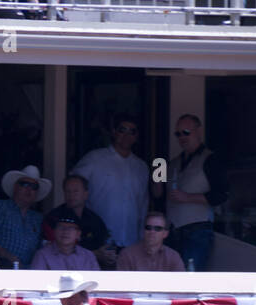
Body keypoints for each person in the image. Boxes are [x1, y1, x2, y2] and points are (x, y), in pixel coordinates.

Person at [156, 114, 228, 272]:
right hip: (172, 232)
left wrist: (188, 197)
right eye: (178, 133)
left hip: (197, 231)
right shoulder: (172, 163)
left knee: (190, 279)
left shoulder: (211, 159)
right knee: (170, 279)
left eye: (186, 132)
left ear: (199, 131)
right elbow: (158, 194)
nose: (182, 137)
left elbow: (221, 194)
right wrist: (157, 164)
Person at [71, 115, 148, 252]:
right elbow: (73, 187)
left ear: (137, 137)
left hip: (131, 242)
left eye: (132, 131)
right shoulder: (94, 158)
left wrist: (142, 238)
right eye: (122, 130)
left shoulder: (142, 167)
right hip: (97, 240)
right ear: (113, 132)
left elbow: (143, 205)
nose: (126, 135)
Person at [0, 164, 49, 269]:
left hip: (30, 272)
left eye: (34, 187)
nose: (29, 189)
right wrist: (6, 255)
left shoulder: (38, 218)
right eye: (25, 184)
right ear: (15, 187)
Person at [42, 174, 112, 265]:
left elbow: (103, 245)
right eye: (68, 191)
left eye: (75, 191)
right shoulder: (53, 218)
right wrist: (93, 254)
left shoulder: (95, 219)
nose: (71, 195)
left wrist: (107, 255)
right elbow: (51, 249)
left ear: (86, 194)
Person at [115, 211, 185, 271]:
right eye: (148, 228)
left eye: (157, 228)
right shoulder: (127, 255)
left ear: (165, 234)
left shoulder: (173, 257)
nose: (152, 231)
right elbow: (122, 284)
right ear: (143, 230)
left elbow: (180, 284)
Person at [29, 214, 100, 271]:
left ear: (78, 234)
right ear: (54, 231)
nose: (65, 231)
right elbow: (37, 284)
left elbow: (97, 284)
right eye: (61, 227)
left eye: (71, 228)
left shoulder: (88, 256)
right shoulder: (42, 255)